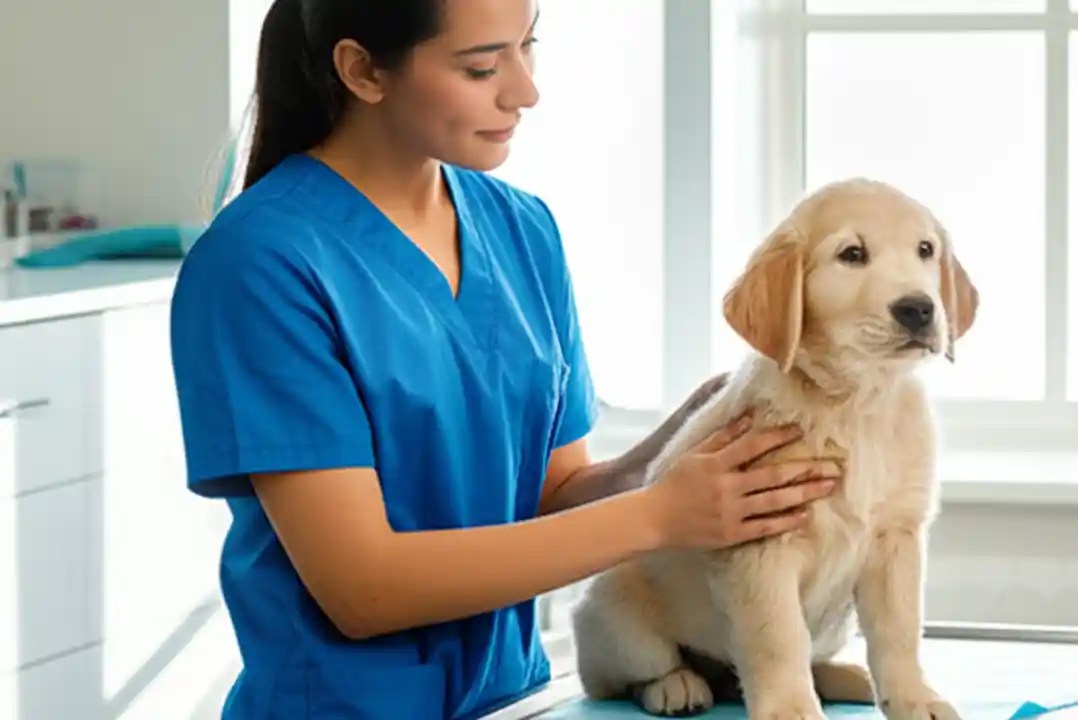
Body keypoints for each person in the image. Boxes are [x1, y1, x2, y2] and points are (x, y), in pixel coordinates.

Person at [168, 0, 840, 718]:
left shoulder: (522, 229)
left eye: (529, 48)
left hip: (511, 702)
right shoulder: (261, 262)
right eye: (482, 66)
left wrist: (674, 451)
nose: (524, 91)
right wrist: (659, 516)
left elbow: (550, 499)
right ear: (362, 70)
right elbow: (363, 589)